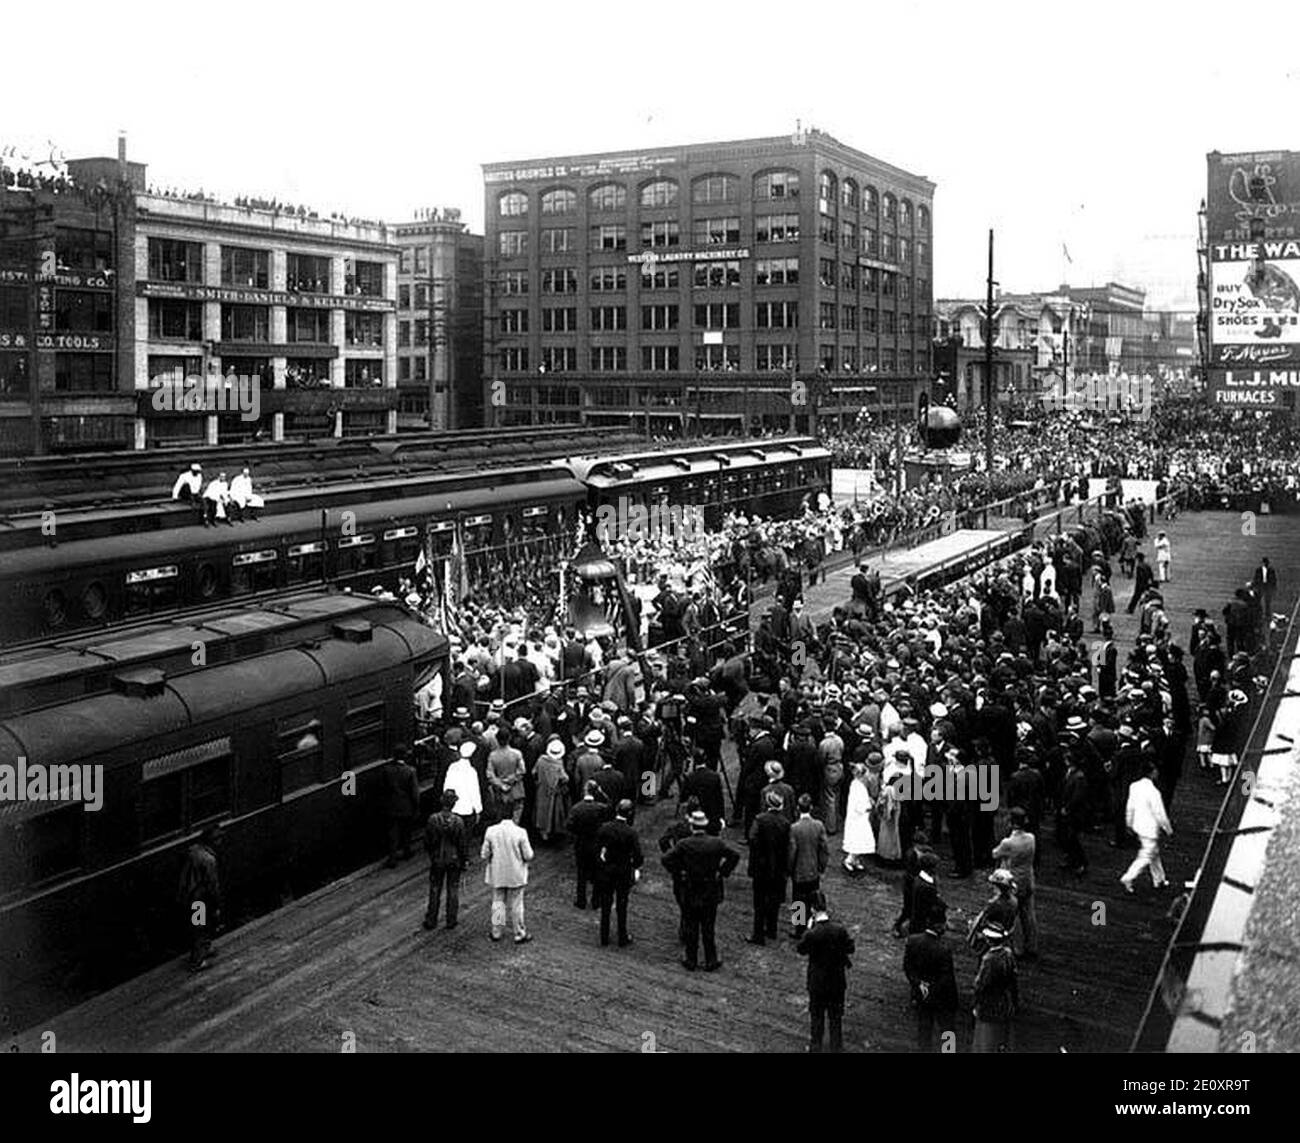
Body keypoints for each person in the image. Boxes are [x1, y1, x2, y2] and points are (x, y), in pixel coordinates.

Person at [661, 809, 740, 971]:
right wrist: (722, 872)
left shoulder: (684, 844)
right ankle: (711, 959)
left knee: (691, 926)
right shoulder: (716, 843)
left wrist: (680, 871)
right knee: (708, 927)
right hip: (711, 889)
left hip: (690, 889)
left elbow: (666, 859)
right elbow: (734, 855)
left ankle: (691, 959)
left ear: (692, 827)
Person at [796, 892, 855, 1053]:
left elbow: (801, 949)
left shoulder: (812, 933)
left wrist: (807, 928)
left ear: (813, 910)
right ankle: (836, 1047)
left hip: (818, 982)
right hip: (836, 981)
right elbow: (851, 948)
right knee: (836, 1017)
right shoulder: (840, 929)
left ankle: (816, 1047)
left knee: (817, 1017)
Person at [903, 903, 958, 1051]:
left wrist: (920, 984)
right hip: (942, 996)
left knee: (924, 1027)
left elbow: (908, 968)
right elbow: (947, 978)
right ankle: (948, 1051)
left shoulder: (912, 941)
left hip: (922, 993)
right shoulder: (944, 950)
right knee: (947, 1029)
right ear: (939, 926)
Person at [481, 804, 535, 943]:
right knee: (517, 903)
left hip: (497, 873)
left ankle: (496, 932)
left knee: (498, 902)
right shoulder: (520, 832)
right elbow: (528, 855)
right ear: (513, 814)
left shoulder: (491, 831)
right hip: (516, 873)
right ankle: (519, 932)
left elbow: (484, 854)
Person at [594, 799, 643, 947]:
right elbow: (638, 856)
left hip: (607, 871)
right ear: (629, 814)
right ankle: (622, 936)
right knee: (622, 905)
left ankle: (604, 937)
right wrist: (634, 866)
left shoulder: (604, 828)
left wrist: (602, 863)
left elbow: (597, 849)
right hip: (623, 872)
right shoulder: (631, 832)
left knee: (606, 904)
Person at [746, 789, 790, 946]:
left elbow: (752, 838)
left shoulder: (760, 819)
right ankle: (773, 929)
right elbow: (788, 847)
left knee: (759, 903)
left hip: (761, 867)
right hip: (778, 868)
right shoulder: (785, 823)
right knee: (775, 900)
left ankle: (758, 934)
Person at [1120, 759, 1172, 894]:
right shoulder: (1154, 792)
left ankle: (1159, 879)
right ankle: (1128, 877)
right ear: (1151, 773)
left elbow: (1130, 806)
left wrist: (1129, 823)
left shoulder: (1134, 786)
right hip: (1150, 828)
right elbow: (1160, 813)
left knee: (1154, 853)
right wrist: (1168, 829)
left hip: (1138, 825)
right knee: (1146, 856)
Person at [992, 808, 1038, 958]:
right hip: (1028, 879)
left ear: (1011, 823)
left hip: (1014, 881)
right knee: (1029, 914)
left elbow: (995, 853)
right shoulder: (1031, 838)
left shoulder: (1008, 842)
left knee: (1015, 916)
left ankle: (1018, 949)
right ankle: (1032, 946)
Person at [177, 825, 222, 973]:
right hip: (199, 898)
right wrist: (216, 904)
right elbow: (212, 885)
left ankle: (205, 949)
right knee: (200, 928)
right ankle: (197, 961)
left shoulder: (194, 850)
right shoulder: (209, 860)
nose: (220, 841)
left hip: (188, 894)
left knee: (199, 925)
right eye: (218, 839)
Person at [423, 789, 469, 930]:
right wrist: (464, 860)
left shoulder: (433, 819)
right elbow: (462, 844)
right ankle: (451, 920)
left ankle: (431, 920)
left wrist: (432, 854)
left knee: (435, 889)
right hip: (454, 859)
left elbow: (427, 841)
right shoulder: (459, 822)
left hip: (437, 858)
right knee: (453, 888)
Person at [972, 922, 1019, 1053]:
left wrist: (975, 1003)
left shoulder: (988, 959)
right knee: (1002, 1037)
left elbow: (980, 985)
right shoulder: (1008, 954)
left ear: (988, 940)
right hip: (1004, 1000)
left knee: (986, 1039)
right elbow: (1013, 979)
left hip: (988, 1004)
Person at [788, 793, 829, 937]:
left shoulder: (794, 828)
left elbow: (792, 852)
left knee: (798, 902)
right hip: (813, 870)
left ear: (798, 809)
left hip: (799, 872)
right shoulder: (818, 825)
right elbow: (824, 849)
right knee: (814, 900)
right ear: (811, 808)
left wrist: (790, 869)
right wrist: (822, 867)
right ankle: (812, 926)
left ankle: (799, 930)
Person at [566, 779, 610, 910]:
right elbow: (611, 806)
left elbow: (569, 826)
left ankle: (581, 900)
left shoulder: (577, 808)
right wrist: (602, 793)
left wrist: (577, 833)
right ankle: (596, 901)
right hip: (596, 843)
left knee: (581, 874)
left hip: (581, 843)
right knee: (597, 873)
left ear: (585, 791)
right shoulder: (600, 807)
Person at [378, 746, 420, 868]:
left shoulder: (387, 770)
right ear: (405, 756)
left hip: (391, 806)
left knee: (393, 833)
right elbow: (414, 792)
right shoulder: (410, 771)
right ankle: (407, 851)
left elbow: (383, 788)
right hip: (406, 806)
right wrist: (416, 806)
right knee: (406, 830)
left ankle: (392, 858)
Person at [533, 737, 571, 842]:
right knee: (552, 812)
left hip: (541, 789)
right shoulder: (558, 763)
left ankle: (542, 832)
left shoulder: (540, 760)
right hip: (554, 791)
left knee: (541, 810)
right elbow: (564, 778)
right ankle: (551, 831)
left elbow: (534, 772)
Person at [841, 760, 876, 872]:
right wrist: (868, 806)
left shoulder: (858, 785)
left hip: (860, 817)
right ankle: (849, 860)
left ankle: (855, 860)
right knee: (857, 840)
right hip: (857, 818)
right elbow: (858, 805)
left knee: (860, 840)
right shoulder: (857, 787)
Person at [443, 741, 483, 834]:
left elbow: (446, 787)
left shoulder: (452, 767)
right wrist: (478, 809)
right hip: (468, 809)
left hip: (454, 808)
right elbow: (474, 792)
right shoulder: (471, 771)